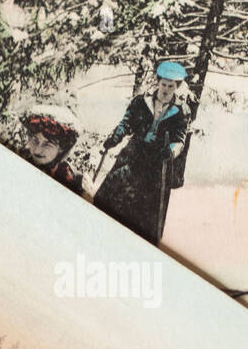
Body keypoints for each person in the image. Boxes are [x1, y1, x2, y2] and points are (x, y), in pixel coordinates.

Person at [92, 61, 189, 244]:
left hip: (156, 162)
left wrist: (170, 152)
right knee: (114, 194)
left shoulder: (181, 111)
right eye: (163, 84)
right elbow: (126, 122)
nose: (166, 89)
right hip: (134, 153)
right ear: (158, 82)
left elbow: (179, 139)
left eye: (171, 86)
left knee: (145, 210)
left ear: (176, 87)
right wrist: (116, 137)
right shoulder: (141, 101)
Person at [19, 107, 83, 194]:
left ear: (61, 148)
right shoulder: (19, 162)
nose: (37, 150)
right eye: (35, 140)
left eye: (48, 143)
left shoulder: (69, 185)